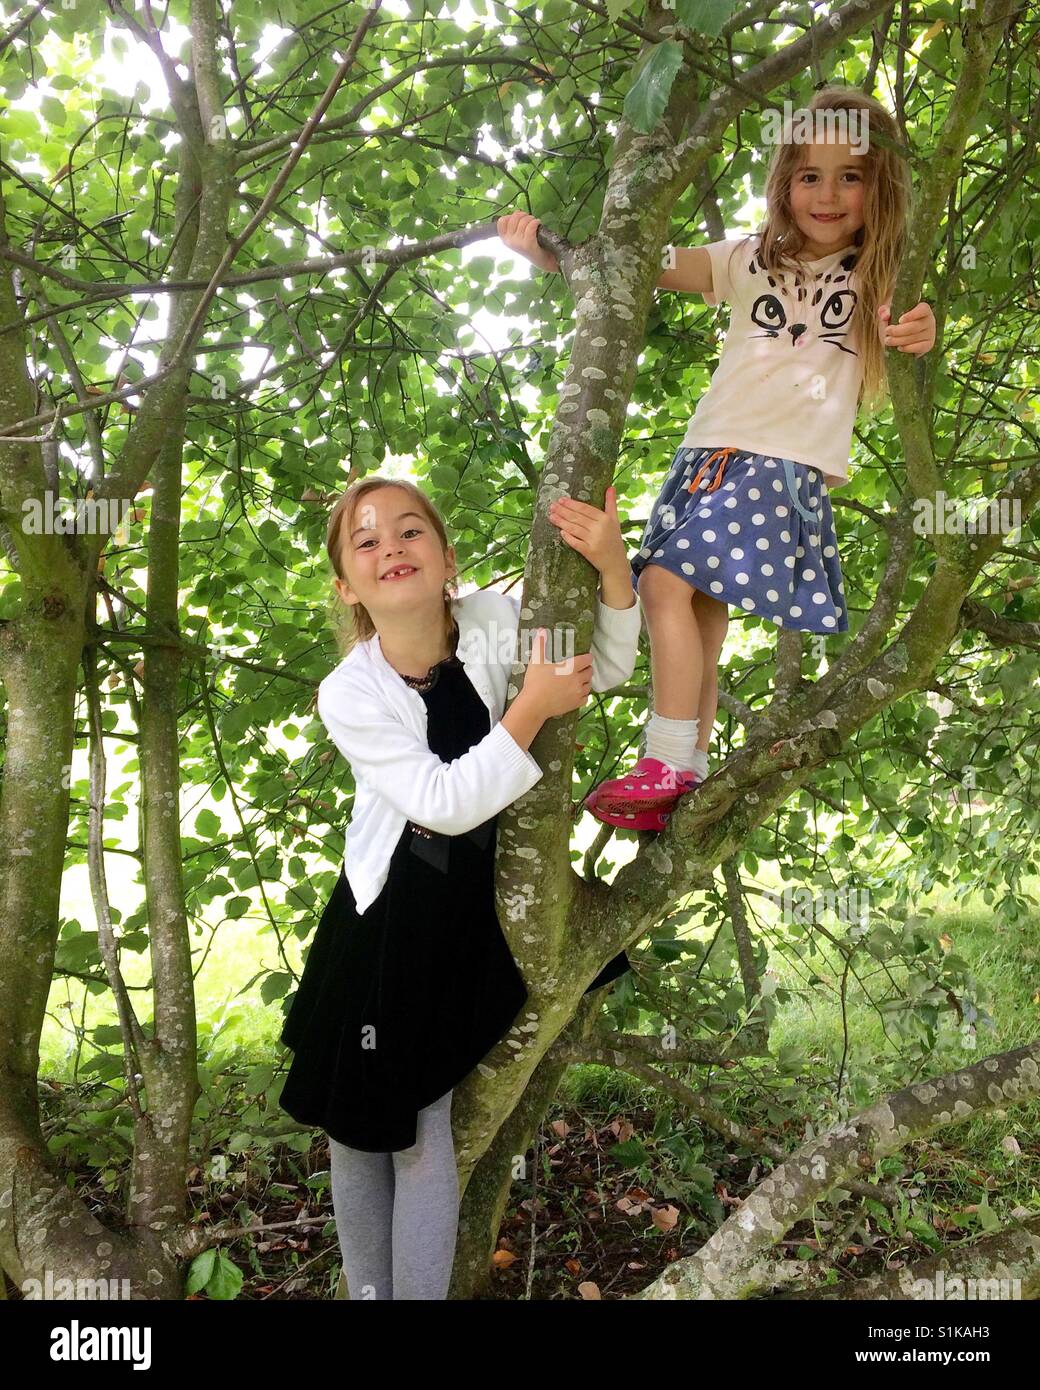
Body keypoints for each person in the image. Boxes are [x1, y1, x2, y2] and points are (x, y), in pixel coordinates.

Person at [498, 85, 936, 833]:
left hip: (781, 465)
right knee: (697, 614)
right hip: (707, 460)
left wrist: (918, 331)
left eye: (850, 176)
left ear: (879, 187)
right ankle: (684, 771)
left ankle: (663, 758)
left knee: (664, 585)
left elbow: (911, 325)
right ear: (783, 183)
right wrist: (543, 250)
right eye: (809, 176)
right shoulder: (745, 260)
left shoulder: (877, 275)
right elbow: (636, 267)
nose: (827, 195)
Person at [277, 474, 642, 1299]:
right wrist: (530, 710)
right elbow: (439, 805)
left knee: (418, 1127)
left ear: (446, 558)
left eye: (409, 532)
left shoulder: (495, 621)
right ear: (347, 585)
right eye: (365, 542)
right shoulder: (350, 690)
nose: (390, 548)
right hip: (386, 911)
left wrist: (614, 570)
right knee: (353, 1124)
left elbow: (606, 668)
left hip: (471, 908)